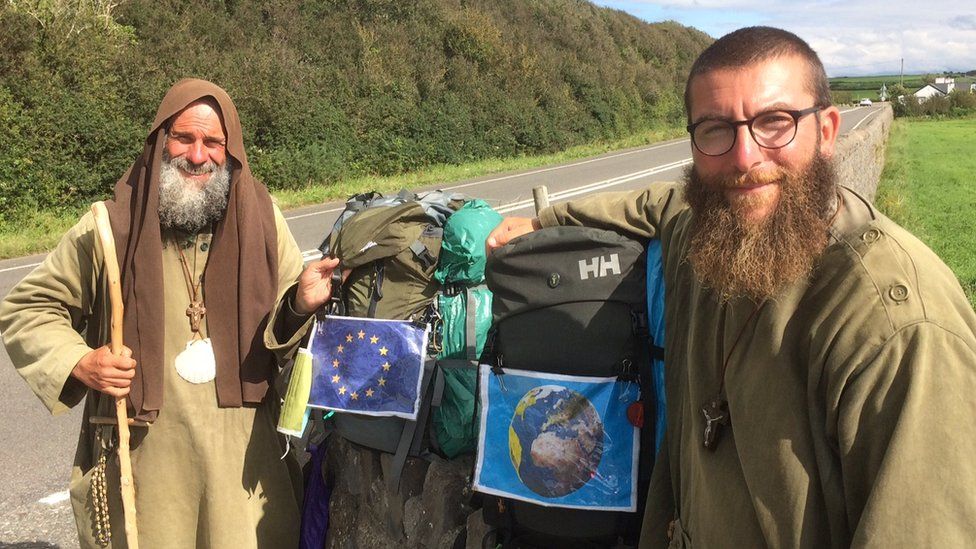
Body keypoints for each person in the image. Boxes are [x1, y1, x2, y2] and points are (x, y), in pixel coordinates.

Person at [486, 27, 976, 547]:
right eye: (716, 129)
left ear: (827, 131)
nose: (744, 158)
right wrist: (545, 221)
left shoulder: (896, 327)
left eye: (775, 122)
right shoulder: (710, 230)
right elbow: (658, 203)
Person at [1, 79, 305, 548]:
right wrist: (80, 361)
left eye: (213, 142)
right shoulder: (109, 227)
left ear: (231, 150)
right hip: (145, 467)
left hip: (245, 467)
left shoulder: (264, 221)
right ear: (161, 141)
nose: (198, 155)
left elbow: (289, 328)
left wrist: (302, 302)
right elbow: (28, 307)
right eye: (184, 138)